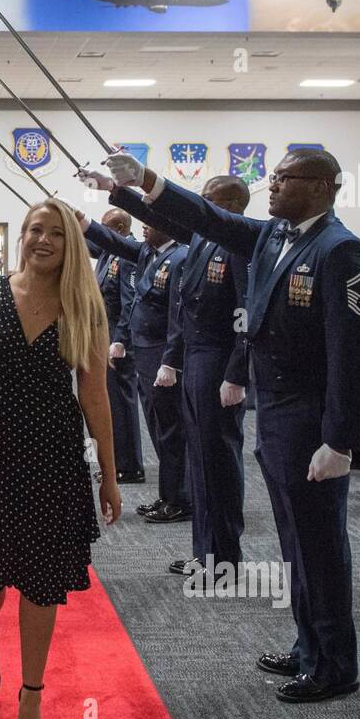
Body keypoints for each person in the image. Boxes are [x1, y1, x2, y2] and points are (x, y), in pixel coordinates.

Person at [91, 145, 360, 703]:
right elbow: (206, 217)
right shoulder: (273, 236)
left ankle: (336, 664)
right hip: (275, 414)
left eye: (285, 178)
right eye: (273, 177)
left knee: (318, 541)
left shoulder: (340, 250)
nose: (273, 186)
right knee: (295, 538)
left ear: (323, 186)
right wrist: (144, 182)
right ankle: (308, 644)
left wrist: (340, 439)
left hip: (310, 416)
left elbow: (355, 352)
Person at [0, 199, 120, 719]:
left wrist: (109, 472)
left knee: (40, 577)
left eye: (55, 232)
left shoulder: (84, 304)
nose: (44, 239)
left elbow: (95, 393)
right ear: (21, 236)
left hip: (54, 453)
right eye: (34, 230)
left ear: (70, 242)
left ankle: (31, 693)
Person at [144, 175, 251, 576]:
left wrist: (237, 373)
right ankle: (205, 552)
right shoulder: (202, 241)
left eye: (208, 200)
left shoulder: (238, 245)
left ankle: (224, 558)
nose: (199, 206)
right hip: (195, 358)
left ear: (233, 205)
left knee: (219, 460)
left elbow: (246, 314)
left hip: (218, 362)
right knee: (201, 461)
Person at [83, 212, 190, 522]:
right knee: (158, 426)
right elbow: (139, 303)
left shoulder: (179, 257)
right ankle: (167, 494)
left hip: (160, 351)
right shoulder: (150, 254)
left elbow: (175, 315)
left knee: (171, 429)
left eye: (150, 220)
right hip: (144, 348)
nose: (144, 224)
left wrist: (169, 360)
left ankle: (180, 497)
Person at [83, 207, 144, 483]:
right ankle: (115, 459)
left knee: (121, 401)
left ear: (119, 229)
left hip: (117, 336)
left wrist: (120, 340)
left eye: (105, 228)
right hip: (103, 333)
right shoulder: (109, 251)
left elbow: (130, 301)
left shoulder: (128, 255)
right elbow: (88, 244)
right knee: (109, 400)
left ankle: (128, 465)